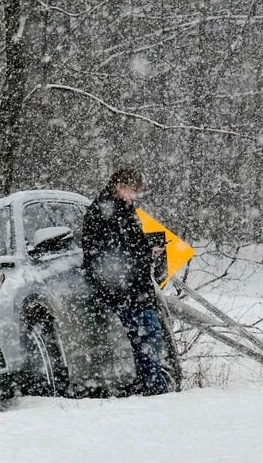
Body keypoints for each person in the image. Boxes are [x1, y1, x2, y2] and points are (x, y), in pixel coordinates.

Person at [82, 168, 169, 395]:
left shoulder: (124, 210)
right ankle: (154, 387)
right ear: (120, 186)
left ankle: (151, 384)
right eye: (133, 191)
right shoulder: (104, 212)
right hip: (125, 289)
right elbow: (109, 255)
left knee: (147, 337)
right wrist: (141, 256)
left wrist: (147, 251)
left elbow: (128, 249)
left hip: (134, 286)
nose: (135, 197)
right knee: (148, 337)